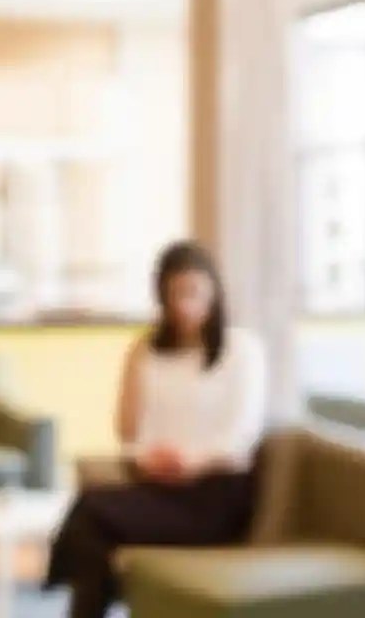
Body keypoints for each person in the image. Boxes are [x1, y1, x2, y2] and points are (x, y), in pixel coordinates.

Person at [45, 241, 269, 618]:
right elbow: (130, 433)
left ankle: (57, 583)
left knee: (89, 512)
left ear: (214, 290)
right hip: (161, 485)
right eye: (174, 295)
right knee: (93, 535)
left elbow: (241, 437)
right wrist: (148, 458)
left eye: (194, 292)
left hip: (217, 493)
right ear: (161, 298)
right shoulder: (148, 351)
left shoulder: (242, 349)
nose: (185, 305)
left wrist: (191, 462)